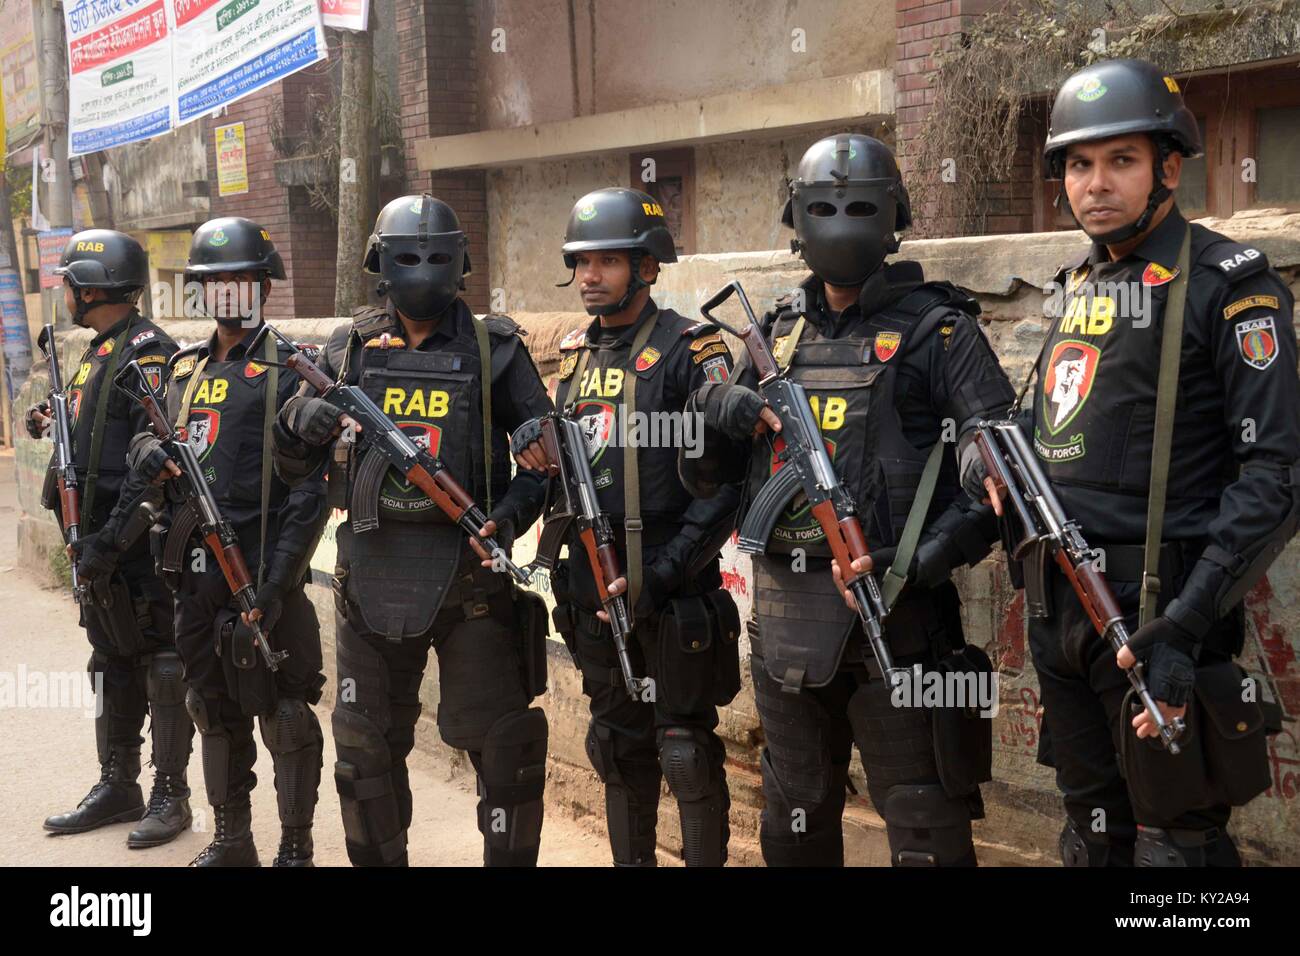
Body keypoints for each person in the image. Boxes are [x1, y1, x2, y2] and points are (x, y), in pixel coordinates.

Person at [966, 58, 1298, 867]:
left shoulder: (1229, 286)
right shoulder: (1079, 286)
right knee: (1091, 831)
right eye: (1080, 164)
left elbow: (1277, 478)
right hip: (1061, 611)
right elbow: (1040, 420)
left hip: (1158, 610)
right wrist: (990, 454)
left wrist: (1186, 626)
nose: (1095, 184)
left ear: (1169, 168)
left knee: (1178, 842)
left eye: (1121, 161)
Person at [682, 135, 1016, 866]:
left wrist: (922, 563)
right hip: (785, 624)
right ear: (796, 222)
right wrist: (715, 412)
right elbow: (709, 483)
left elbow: (1001, 479)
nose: (839, 223)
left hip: (899, 620)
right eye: (822, 207)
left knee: (923, 822)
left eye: (858, 206)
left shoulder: (939, 329)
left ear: (892, 217)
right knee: (793, 820)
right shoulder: (774, 333)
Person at [272, 194, 555, 866]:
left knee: (506, 752)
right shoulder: (349, 350)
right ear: (381, 264)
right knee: (365, 754)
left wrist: (507, 518)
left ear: (460, 264)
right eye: (407, 256)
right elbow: (292, 468)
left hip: (471, 587)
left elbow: (543, 464)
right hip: (370, 585)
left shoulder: (497, 351)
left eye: (435, 255)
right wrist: (297, 425)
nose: (422, 269)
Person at [515, 187, 743, 866]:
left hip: (672, 593)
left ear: (647, 267)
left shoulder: (690, 347)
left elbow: (729, 479)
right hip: (593, 591)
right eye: (581, 262)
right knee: (618, 747)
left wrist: (670, 568)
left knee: (686, 750)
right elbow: (560, 465)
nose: (589, 276)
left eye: (607, 262)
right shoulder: (579, 353)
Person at [127, 218, 328, 866]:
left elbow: (309, 492)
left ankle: (295, 849)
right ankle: (232, 838)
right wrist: (149, 453)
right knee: (208, 706)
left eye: (239, 278)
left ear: (263, 285)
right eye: (212, 281)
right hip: (194, 574)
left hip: (262, 567)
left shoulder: (291, 368)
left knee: (287, 712)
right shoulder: (184, 370)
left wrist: (276, 585)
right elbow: (142, 440)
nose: (225, 292)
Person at [31, 230, 193, 849]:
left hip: (138, 542)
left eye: (72, 283)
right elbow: (93, 429)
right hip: (95, 538)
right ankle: (118, 782)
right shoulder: (100, 350)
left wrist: (109, 544)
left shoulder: (148, 354)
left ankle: (170, 795)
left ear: (93, 287)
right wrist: (53, 420)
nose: (67, 294)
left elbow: (154, 466)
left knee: (162, 661)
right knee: (110, 658)